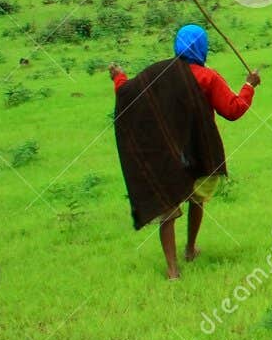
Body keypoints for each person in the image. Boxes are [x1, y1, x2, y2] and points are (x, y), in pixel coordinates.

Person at [110, 24, 262, 280]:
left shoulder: (158, 74)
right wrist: (249, 85)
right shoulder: (208, 77)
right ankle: (190, 249)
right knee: (197, 198)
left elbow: (128, 94)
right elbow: (233, 110)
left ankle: (172, 270)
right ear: (203, 48)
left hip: (167, 154)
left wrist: (119, 76)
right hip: (199, 152)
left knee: (167, 210)